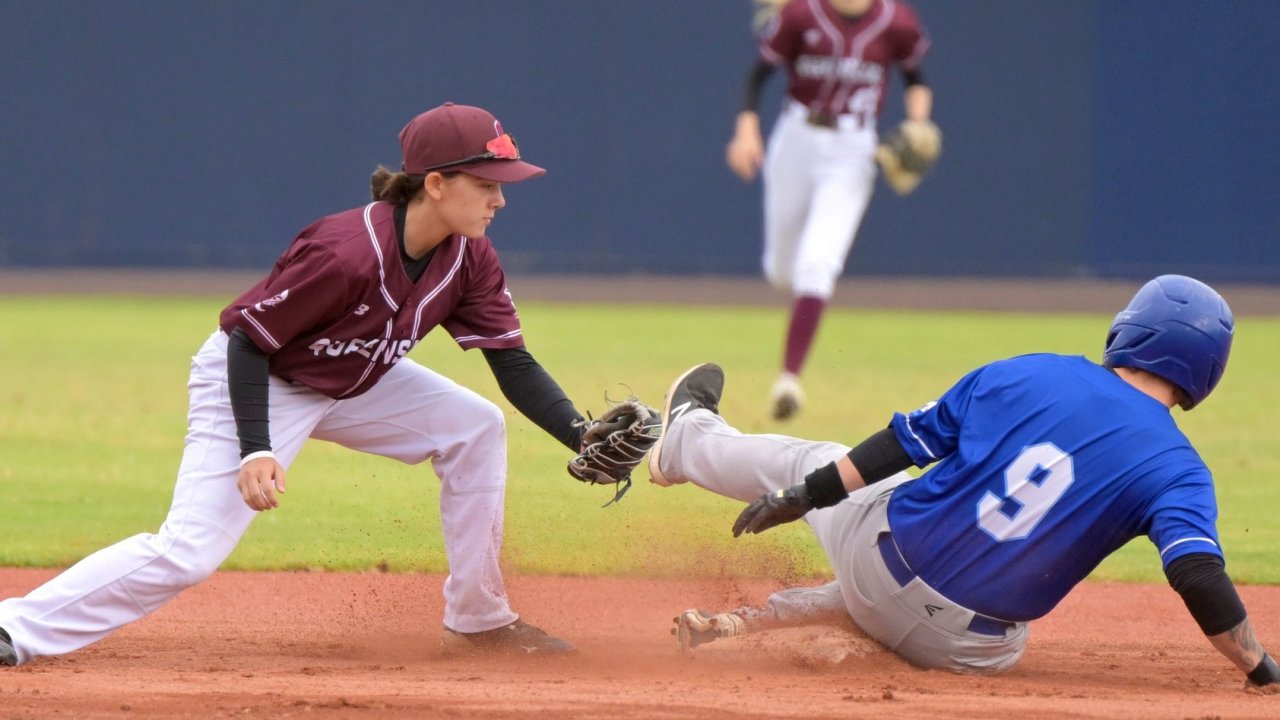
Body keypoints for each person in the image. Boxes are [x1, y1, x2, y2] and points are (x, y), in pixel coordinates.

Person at [0, 102, 595, 666]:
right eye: (487, 183)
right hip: (261, 379)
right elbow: (249, 340)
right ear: (436, 184)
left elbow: (512, 363)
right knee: (188, 551)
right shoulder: (346, 252)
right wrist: (255, 446)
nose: (500, 199)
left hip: (354, 377)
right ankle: (15, 629)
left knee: (475, 425)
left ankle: (478, 620)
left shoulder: (470, 256)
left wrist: (582, 435)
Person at [646, 275, 1280, 691]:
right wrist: (1258, 668)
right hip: (969, 651)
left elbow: (901, 446)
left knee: (821, 460)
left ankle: (682, 441)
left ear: (1130, 328)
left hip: (878, 566)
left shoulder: (1032, 371)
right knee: (983, 604)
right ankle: (749, 622)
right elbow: (1197, 574)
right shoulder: (1180, 469)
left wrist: (806, 496)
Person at [727, 0, 934, 420]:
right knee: (782, 270)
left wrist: (918, 122)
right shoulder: (801, 13)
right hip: (797, 137)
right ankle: (794, 311)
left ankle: (789, 379)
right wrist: (746, 131)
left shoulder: (895, 19)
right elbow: (758, 75)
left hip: (853, 147)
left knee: (818, 265)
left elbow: (915, 77)